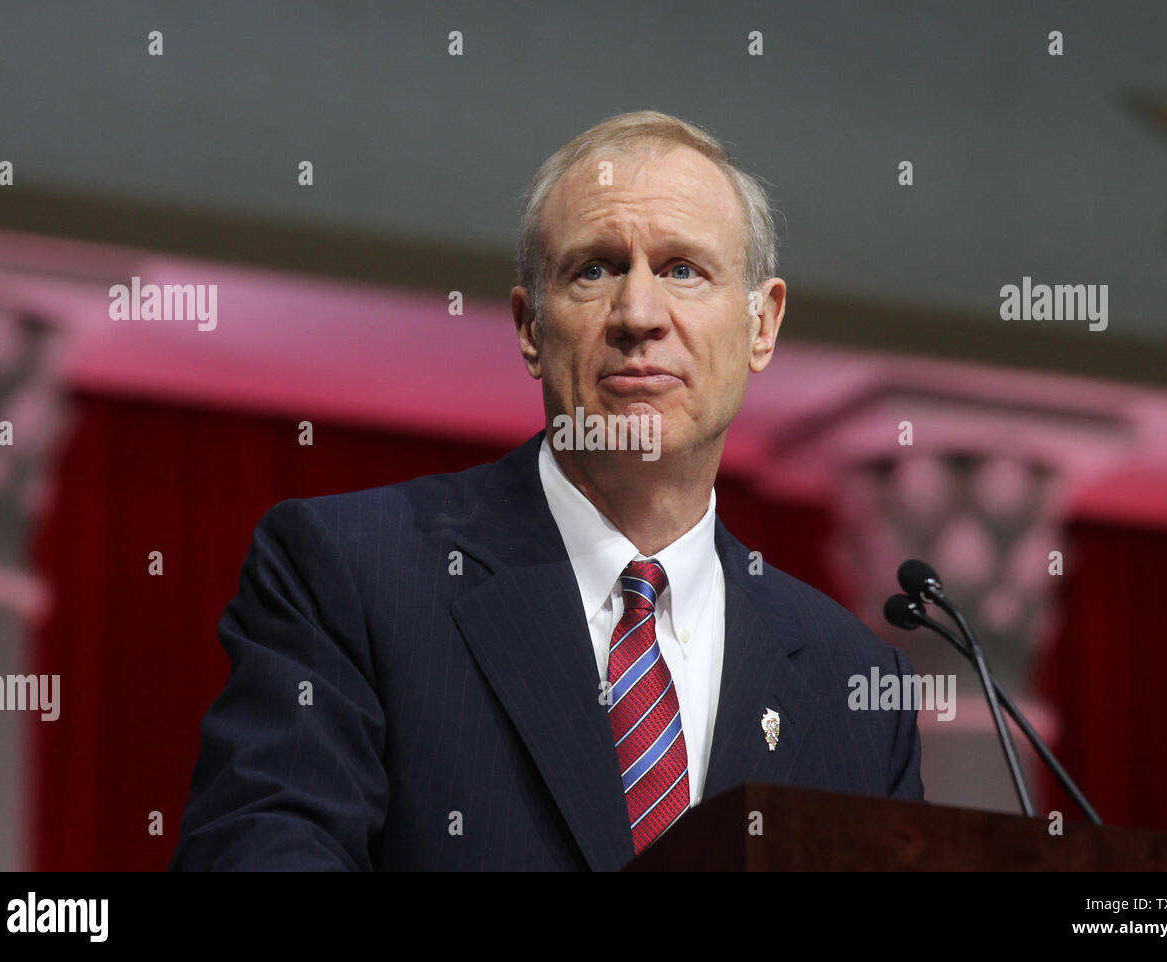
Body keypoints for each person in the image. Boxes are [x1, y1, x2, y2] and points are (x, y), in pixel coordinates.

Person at [170, 110, 922, 872]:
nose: (638, 315)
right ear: (530, 327)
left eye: (683, 270)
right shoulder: (352, 574)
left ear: (763, 324)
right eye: (593, 270)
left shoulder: (851, 685)